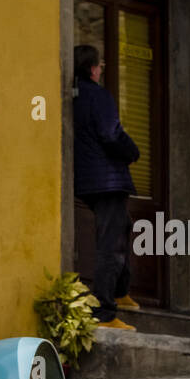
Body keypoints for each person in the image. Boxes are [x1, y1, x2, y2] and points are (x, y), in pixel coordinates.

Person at [73, 44, 141, 331]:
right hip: (107, 179)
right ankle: (105, 310)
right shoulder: (98, 95)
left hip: (89, 179)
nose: (101, 69)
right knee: (111, 245)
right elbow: (111, 134)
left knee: (123, 227)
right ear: (92, 69)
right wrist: (133, 151)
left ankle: (120, 291)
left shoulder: (74, 96)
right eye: (99, 65)